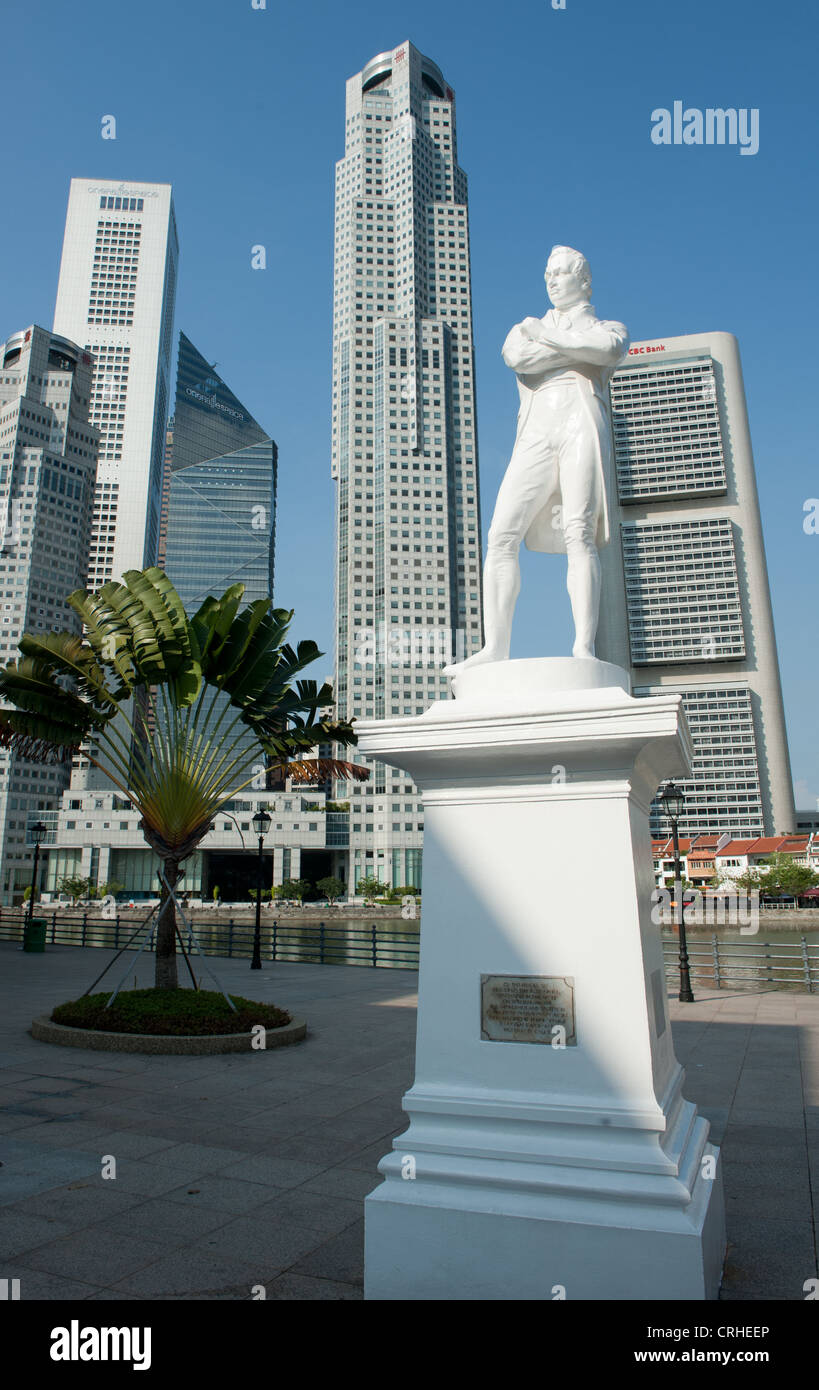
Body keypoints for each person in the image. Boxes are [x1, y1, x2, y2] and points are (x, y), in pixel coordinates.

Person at [446, 246, 629, 672]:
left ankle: (584, 646)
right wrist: (576, 349)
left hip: (581, 420)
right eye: (548, 273)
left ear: (583, 281)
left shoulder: (607, 327)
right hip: (537, 429)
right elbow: (516, 357)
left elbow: (607, 349)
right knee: (500, 534)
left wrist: (546, 336)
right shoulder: (521, 331)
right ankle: (495, 647)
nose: (551, 280)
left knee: (579, 532)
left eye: (561, 273)